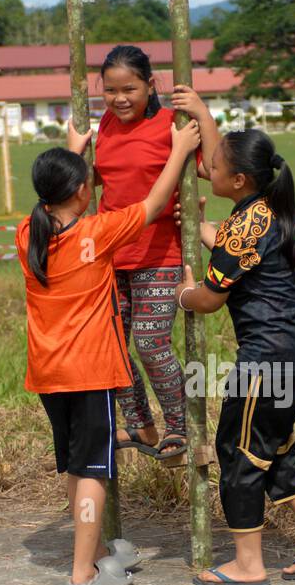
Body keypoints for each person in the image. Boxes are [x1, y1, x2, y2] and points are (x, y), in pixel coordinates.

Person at [17, 118, 202, 585]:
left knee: (76, 467)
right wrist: (180, 148)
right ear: (83, 191)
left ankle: (96, 553)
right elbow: (156, 202)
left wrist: (76, 152)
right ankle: (83, 574)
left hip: (48, 373)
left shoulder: (27, 234)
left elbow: (59, 201)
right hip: (89, 371)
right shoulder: (96, 235)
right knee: (95, 471)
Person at [176, 128, 295, 585]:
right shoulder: (268, 210)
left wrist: (185, 296)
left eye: (214, 166)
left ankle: (248, 564)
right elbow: (239, 254)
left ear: (238, 180)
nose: (207, 170)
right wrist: (199, 230)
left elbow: (211, 298)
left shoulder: (243, 223)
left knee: (238, 448)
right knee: (271, 442)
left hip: (269, 357)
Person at [88, 44, 221, 460]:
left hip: (159, 254)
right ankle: (141, 424)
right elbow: (98, 177)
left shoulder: (172, 124)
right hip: (113, 255)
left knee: (150, 342)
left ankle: (180, 427)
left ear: (150, 85)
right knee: (108, 346)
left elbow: (214, 169)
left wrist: (202, 113)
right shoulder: (105, 125)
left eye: (129, 88)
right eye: (110, 90)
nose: (119, 98)